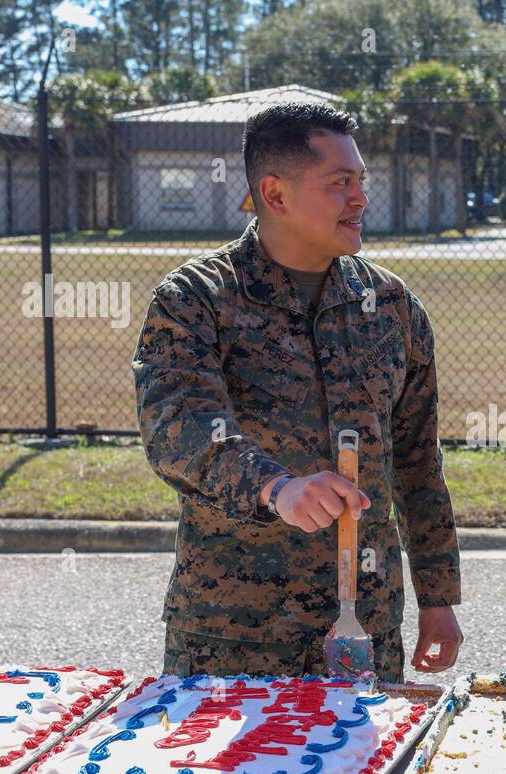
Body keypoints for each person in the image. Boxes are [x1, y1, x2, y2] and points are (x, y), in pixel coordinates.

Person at [133, 101, 464, 681]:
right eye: (340, 183)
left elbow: (416, 461)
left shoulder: (391, 307)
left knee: (367, 773)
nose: (361, 198)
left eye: (361, 181)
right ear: (276, 194)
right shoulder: (196, 299)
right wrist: (275, 487)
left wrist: (437, 597)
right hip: (233, 636)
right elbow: (178, 427)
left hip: (365, 629)